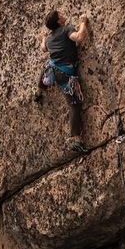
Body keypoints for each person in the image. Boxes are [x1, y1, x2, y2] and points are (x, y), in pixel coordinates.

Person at [43, 9, 90, 151]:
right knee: (74, 105)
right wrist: (83, 23)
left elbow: (43, 48)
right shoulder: (66, 29)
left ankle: (39, 90)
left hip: (54, 72)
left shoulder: (50, 38)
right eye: (60, 15)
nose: (63, 15)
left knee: (48, 64)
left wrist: (43, 38)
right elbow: (79, 38)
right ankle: (76, 140)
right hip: (66, 74)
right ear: (59, 21)